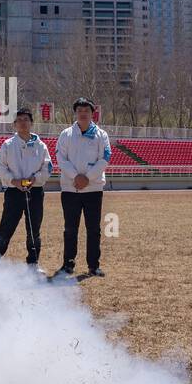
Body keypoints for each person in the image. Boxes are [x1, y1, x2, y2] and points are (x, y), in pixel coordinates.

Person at [0, 107, 52, 273]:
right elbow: (0, 166)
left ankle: (33, 265)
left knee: (33, 229)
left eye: (26, 120)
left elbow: (47, 168)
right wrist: (13, 180)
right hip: (14, 192)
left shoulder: (41, 146)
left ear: (31, 123)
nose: (23, 123)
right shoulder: (8, 145)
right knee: (6, 228)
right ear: (15, 124)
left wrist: (35, 179)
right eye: (19, 120)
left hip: (35, 192)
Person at [55, 98, 110, 278]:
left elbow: (105, 158)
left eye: (86, 110)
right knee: (70, 228)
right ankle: (68, 264)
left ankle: (94, 266)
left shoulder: (101, 135)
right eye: (79, 110)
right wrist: (75, 177)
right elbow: (61, 159)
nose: (83, 113)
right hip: (70, 189)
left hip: (93, 189)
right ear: (75, 113)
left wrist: (88, 178)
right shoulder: (66, 134)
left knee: (93, 229)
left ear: (92, 113)